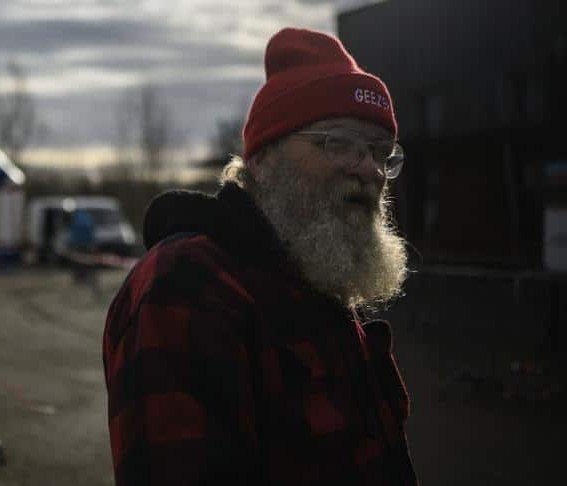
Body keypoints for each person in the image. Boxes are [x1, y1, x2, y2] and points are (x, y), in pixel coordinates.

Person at [103, 28, 417, 485]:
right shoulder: (189, 284)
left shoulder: (316, 277)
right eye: (338, 143)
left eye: (379, 152)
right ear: (265, 158)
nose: (369, 169)